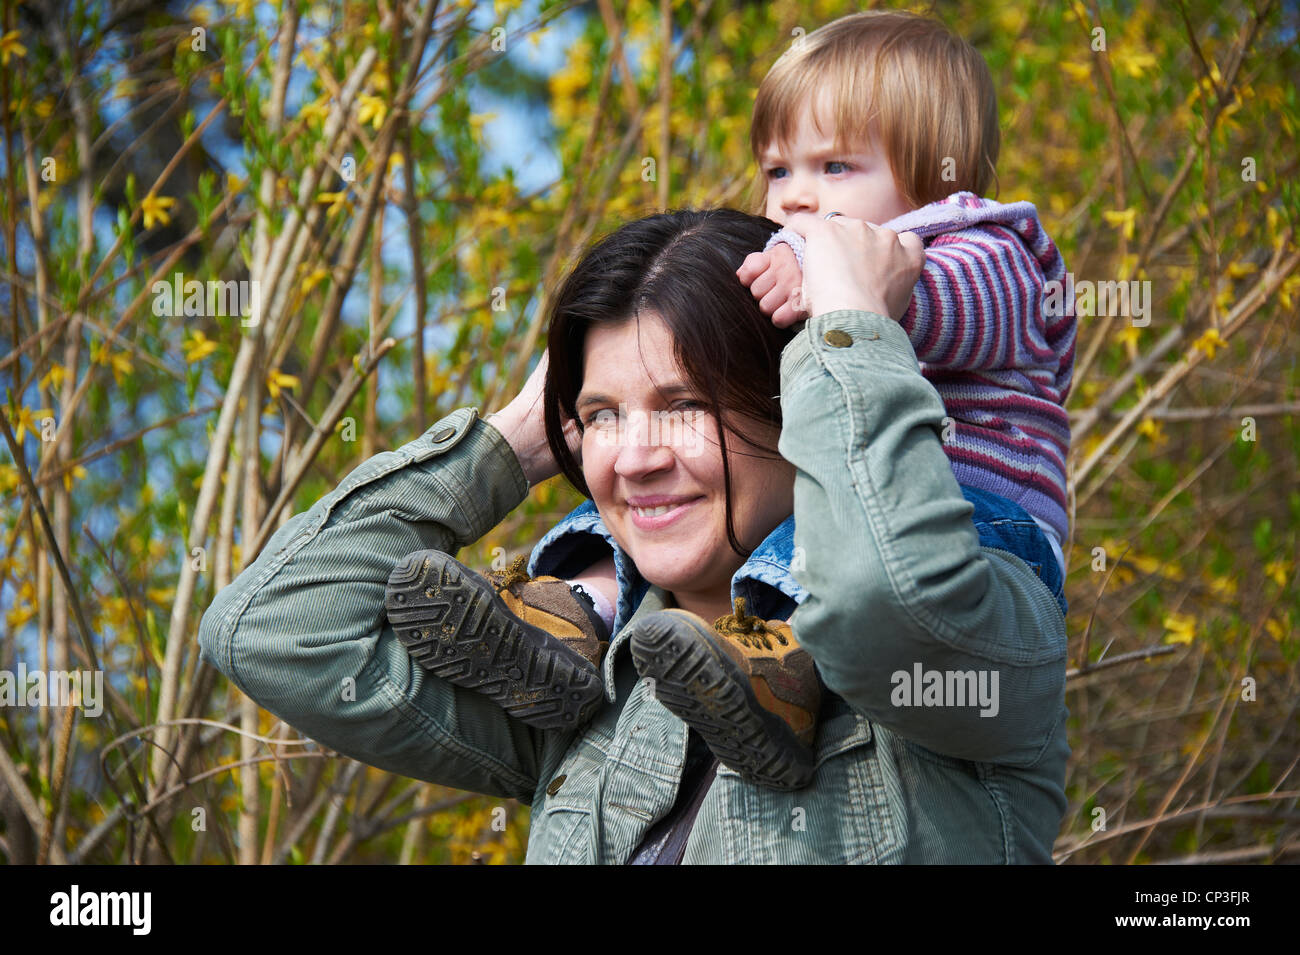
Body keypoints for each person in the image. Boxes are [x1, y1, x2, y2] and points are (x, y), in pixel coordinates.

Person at [197, 208, 1070, 863]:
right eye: (603, 416)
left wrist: (851, 332)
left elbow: (885, 603)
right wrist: (518, 438)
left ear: (796, 402)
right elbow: (272, 630)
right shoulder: (577, 688)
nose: (636, 458)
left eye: (684, 405)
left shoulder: (980, 635)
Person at [382, 8, 1072, 788]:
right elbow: (268, 637)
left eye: (835, 167)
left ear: (939, 172)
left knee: (815, 525)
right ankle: (576, 613)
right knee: (632, 478)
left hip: (984, 516)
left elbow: (957, 308)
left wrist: (855, 301)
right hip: (851, 499)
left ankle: (779, 668)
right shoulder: (802, 252)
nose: (797, 199)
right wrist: (526, 434)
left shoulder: (990, 246)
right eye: (779, 172)